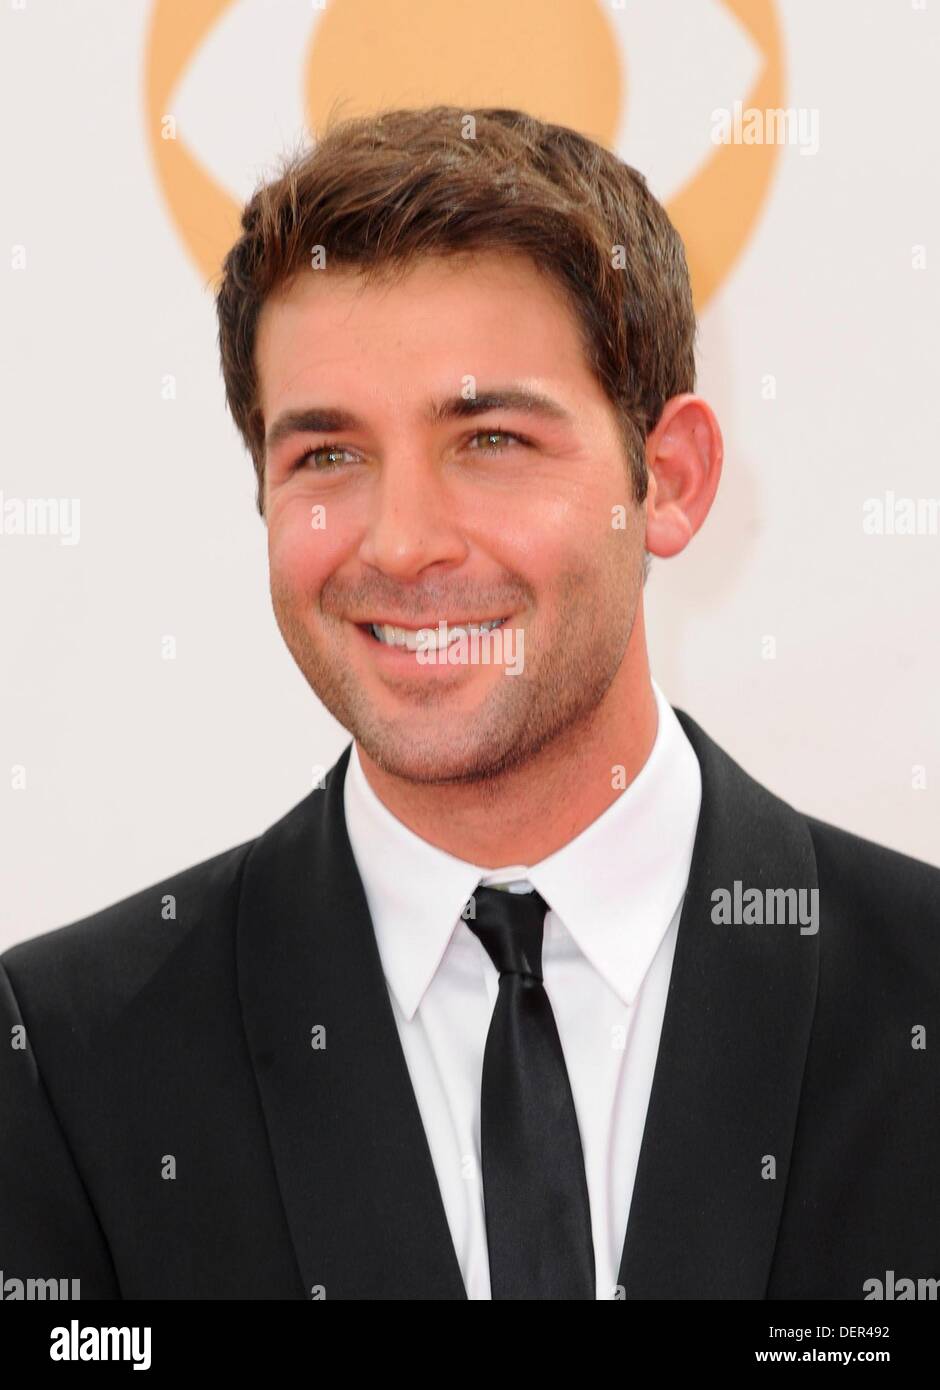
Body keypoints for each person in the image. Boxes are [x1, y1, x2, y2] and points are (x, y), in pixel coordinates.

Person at [2, 106, 937, 1302]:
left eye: (489, 438)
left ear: (674, 481)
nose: (401, 543)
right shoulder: (67, 1059)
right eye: (327, 456)